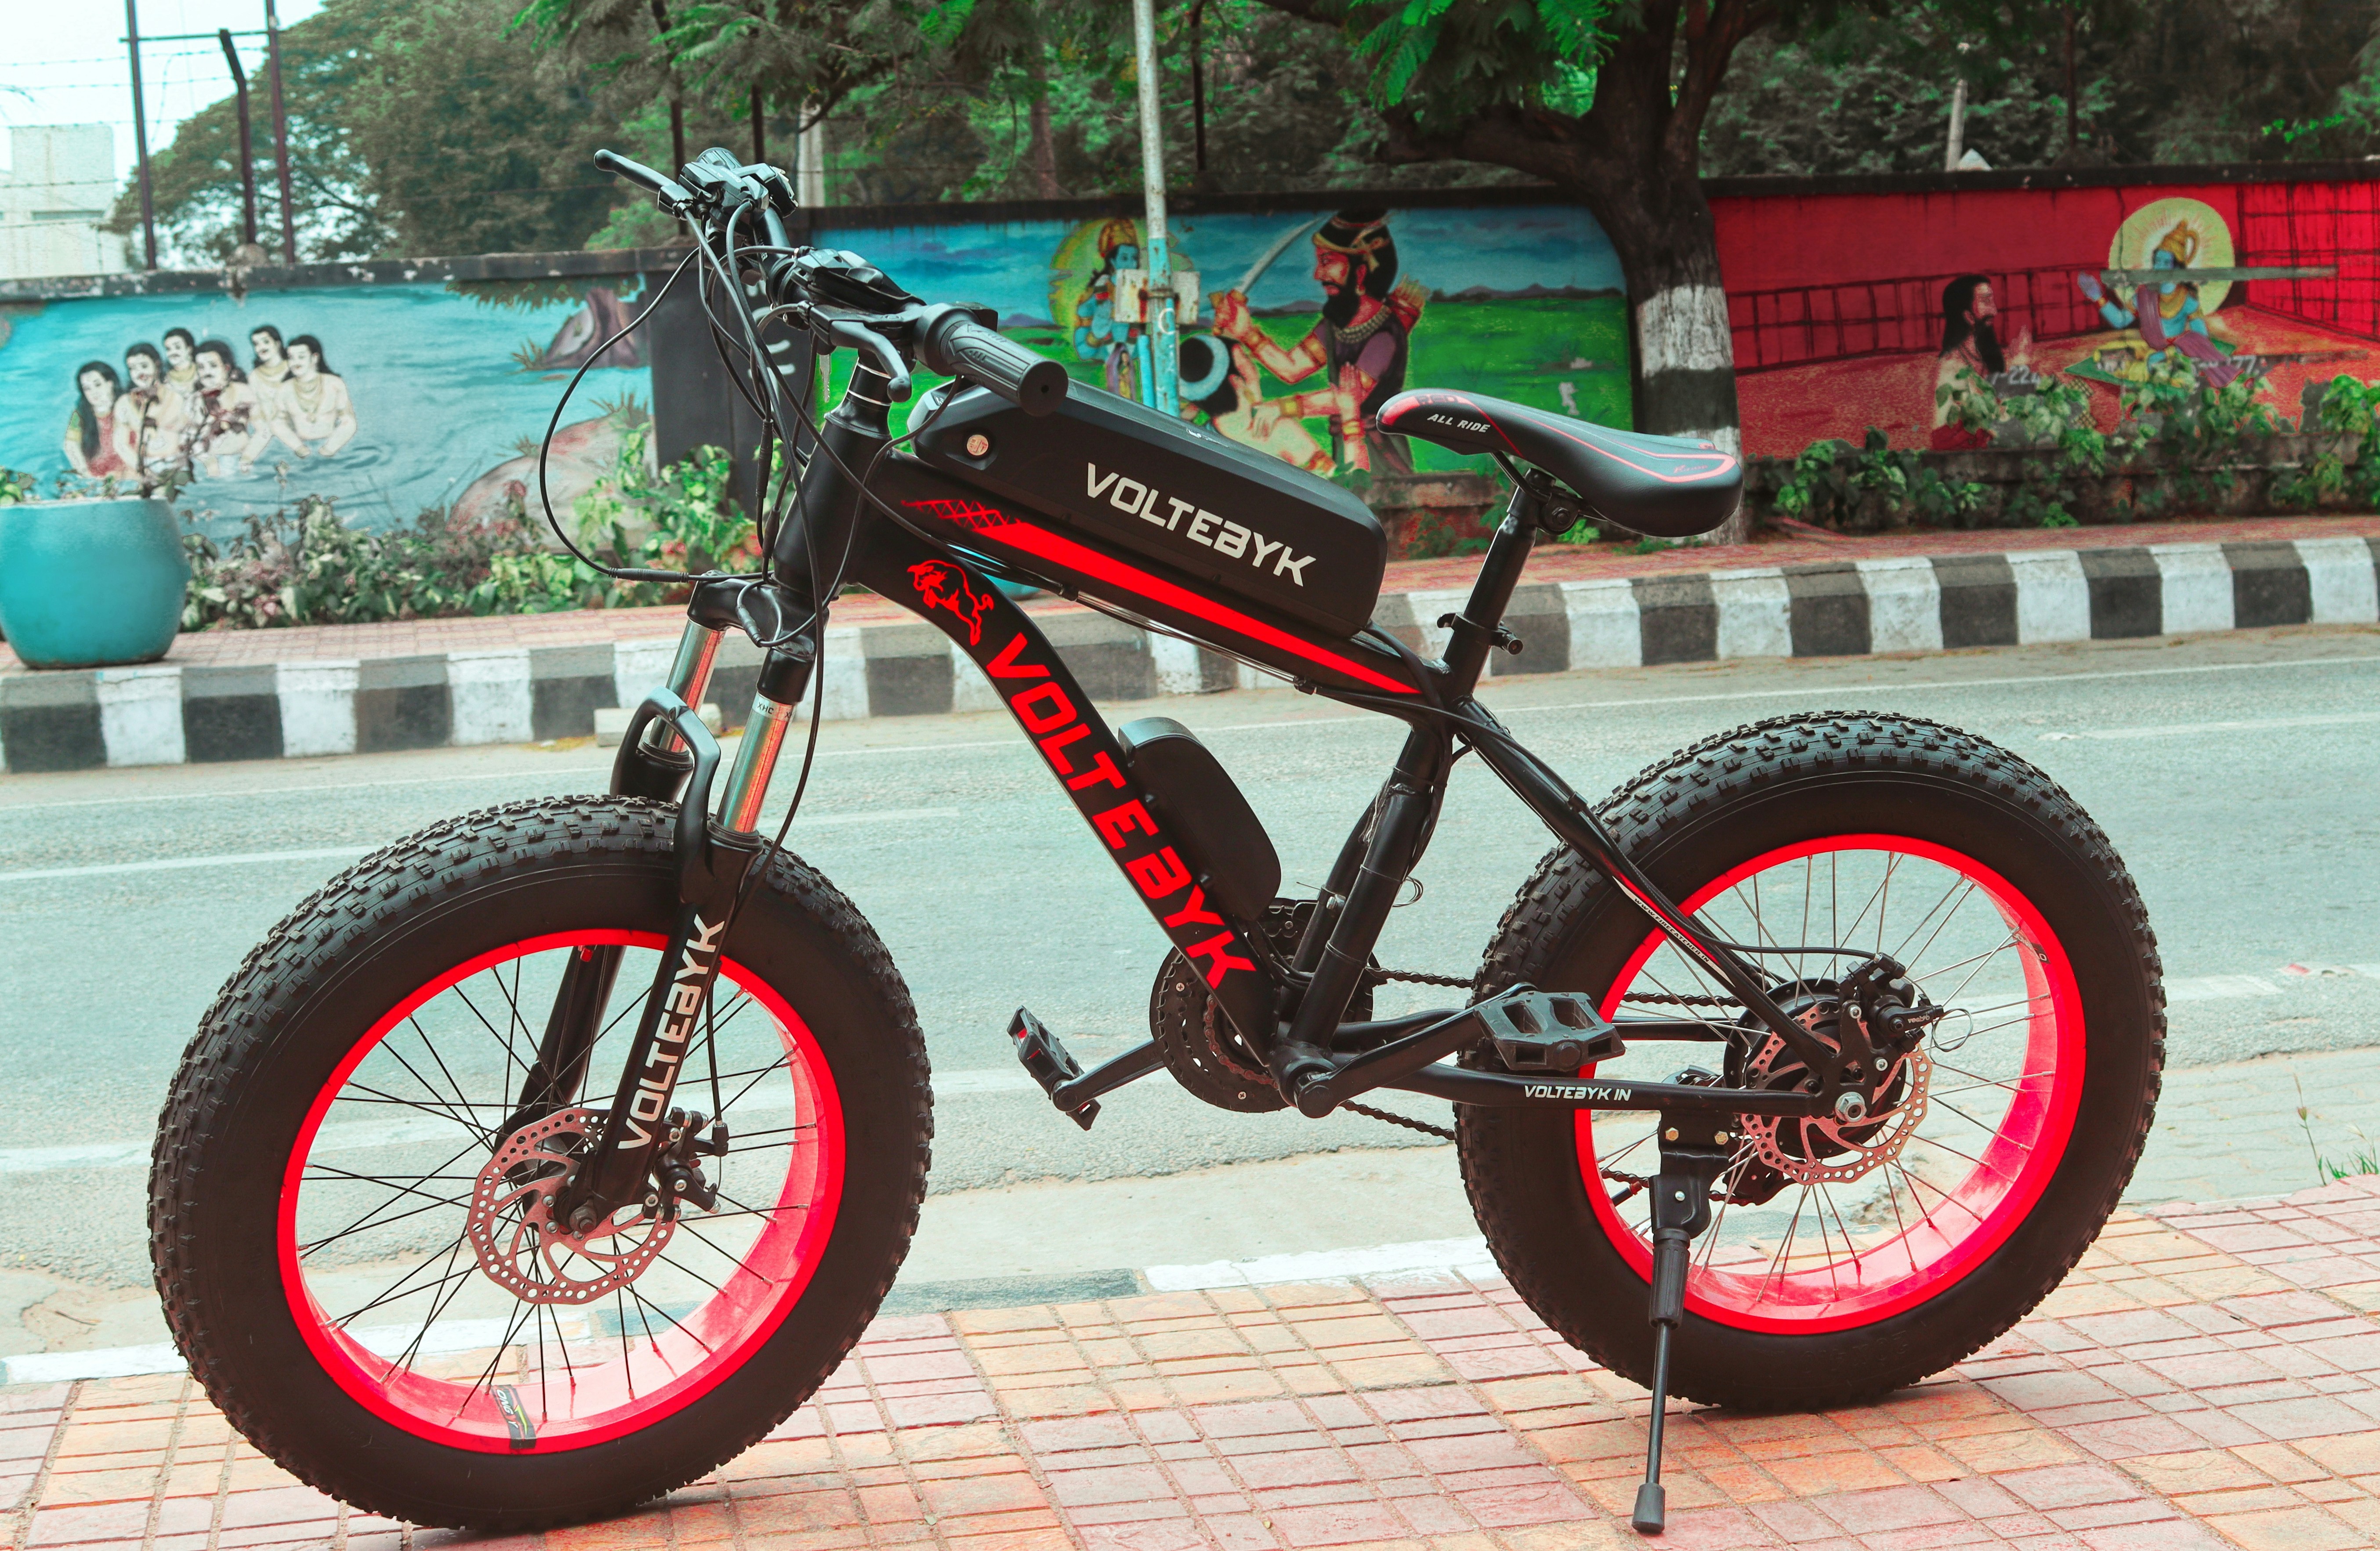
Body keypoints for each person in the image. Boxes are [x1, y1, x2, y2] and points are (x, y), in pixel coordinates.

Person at [1208, 209, 1426, 475]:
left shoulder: (1385, 336)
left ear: (1360, 274)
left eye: (1327, 262)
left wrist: (1281, 408)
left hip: (1379, 456)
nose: (1318, 274)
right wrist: (1247, 333)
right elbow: (1292, 369)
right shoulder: (1335, 325)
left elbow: (1346, 398)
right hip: (1345, 445)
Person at [2075, 225, 2259, 389]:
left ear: (2177, 268)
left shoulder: (2187, 298)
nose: (2159, 267)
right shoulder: (2145, 293)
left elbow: (2200, 338)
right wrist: (2098, 297)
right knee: (2105, 356)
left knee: (2160, 369)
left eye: (2165, 263)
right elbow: (2121, 321)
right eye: (2157, 262)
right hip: (2151, 349)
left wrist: (2169, 354)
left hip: (2179, 353)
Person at [1176, 333, 1333, 473]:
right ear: (1238, 382)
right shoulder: (1282, 433)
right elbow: (1329, 479)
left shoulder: (1198, 440)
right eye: (1247, 360)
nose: (1254, 367)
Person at [1931, 275, 2037, 450]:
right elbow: (1996, 422)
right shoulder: (1952, 367)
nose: (1994, 311)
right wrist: (2020, 366)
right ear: (1968, 316)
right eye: (1986, 302)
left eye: (1992, 302)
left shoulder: (1982, 358)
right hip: (1962, 456)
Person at [265, 334, 357, 457]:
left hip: (334, 448)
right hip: (299, 450)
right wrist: (299, 448)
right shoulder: (284, 390)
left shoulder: (334, 384)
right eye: (291, 358)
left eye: (301, 357)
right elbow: (277, 423)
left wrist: (330, 449)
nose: (295, 363)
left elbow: (349, 421)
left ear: (315, 358)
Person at [189, 339, 268, 477]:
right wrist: (208, 462)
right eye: (201, 367)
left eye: (213, 366)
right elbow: (191, 439)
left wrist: (248, 458)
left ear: (226, 368)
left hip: (241, 462)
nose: (207, 372)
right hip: (208, 465)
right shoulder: (197, 400)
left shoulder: (242, 392)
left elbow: (264, 431)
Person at [112, 342, 191, 476]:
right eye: (133, 369)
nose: (140, 373)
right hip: (143, 467)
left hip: (178, 466)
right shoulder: (124, 403)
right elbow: (121, 445)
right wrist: (143, 470)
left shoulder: (177, 397)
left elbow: (189, 434)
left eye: (144, 366)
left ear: (157, 365)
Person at [63, 360, 130, 480]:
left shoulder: (128, 404)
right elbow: (71, 445)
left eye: (98, 385)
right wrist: (86, 474)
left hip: (129, 471)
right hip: (96, 477)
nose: (94, 392)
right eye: (87, 389)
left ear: (110, 383)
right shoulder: (81, 414)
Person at [161, 327, 201, 392]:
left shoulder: (200, 372)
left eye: (178, 347)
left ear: (189, 349)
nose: (173, 353)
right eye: (168, 349)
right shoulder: (165, 379)